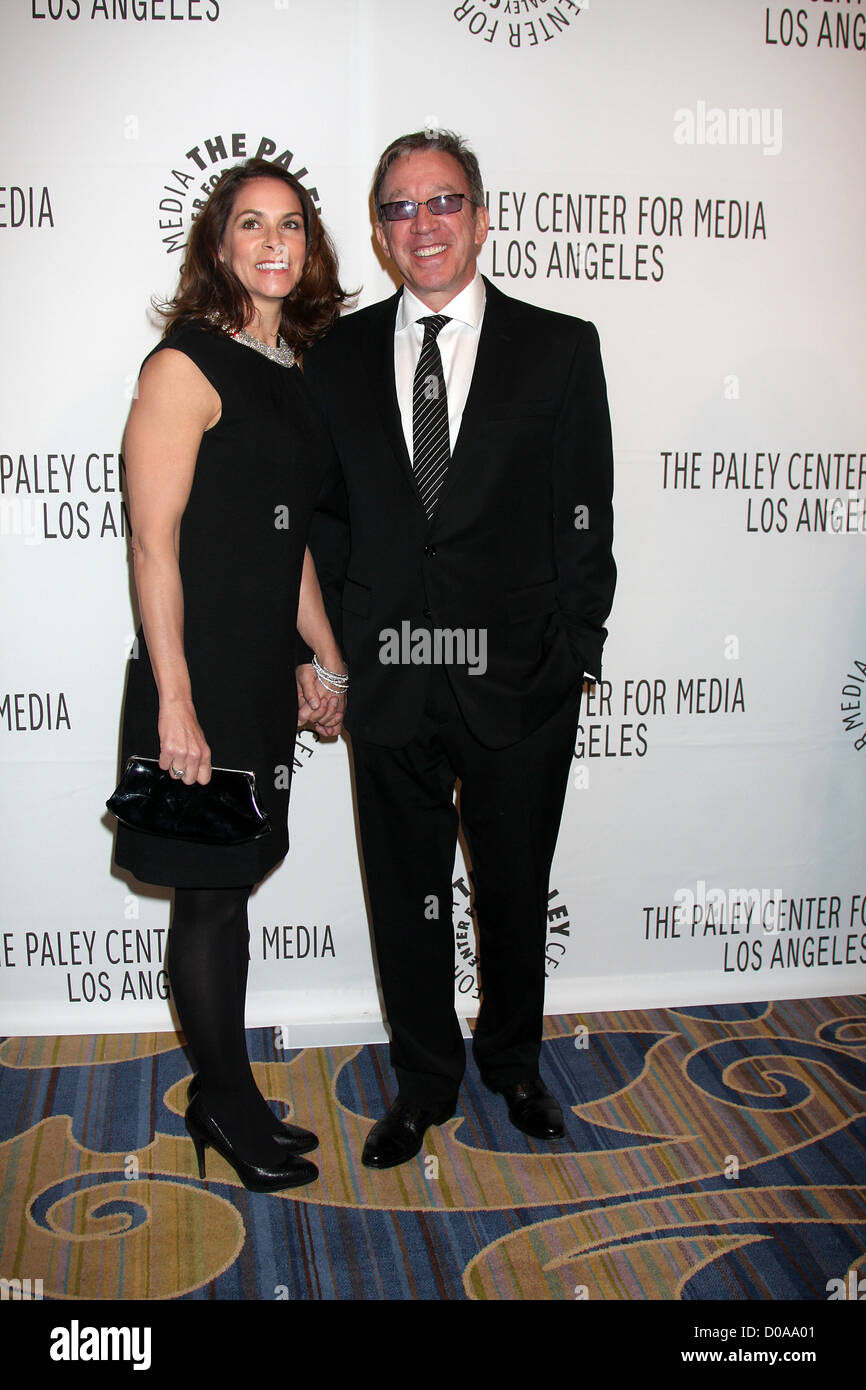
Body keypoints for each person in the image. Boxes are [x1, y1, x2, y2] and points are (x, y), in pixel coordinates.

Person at [299, 129, 616, 1169]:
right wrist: (330, 658)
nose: (422, 223)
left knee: (513, 883)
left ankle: (513, 1063)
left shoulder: (559, 346)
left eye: (443, 202)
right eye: (399, 207)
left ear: (481, 216)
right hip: (390, 676)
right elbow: (328, 523)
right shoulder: (336, 355)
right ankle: (424, 1081)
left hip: (517, 676)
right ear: (382, 234)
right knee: (407, 890)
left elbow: (584, 509)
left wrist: (573, 650)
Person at [113, 157, 349, 1193]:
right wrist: (174, 699)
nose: (270, 241)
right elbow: (151, 546)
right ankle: (221, 1101)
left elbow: (284, 539)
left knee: (232, 887)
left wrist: (325, 657)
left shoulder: (289, 371)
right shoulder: (185, 365)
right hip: (197, 677)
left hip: (261, 675)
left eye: (289, 224)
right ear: (218, 244)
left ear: (307, 247)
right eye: (249, 223)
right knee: (208, 899)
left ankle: (229, 1087)